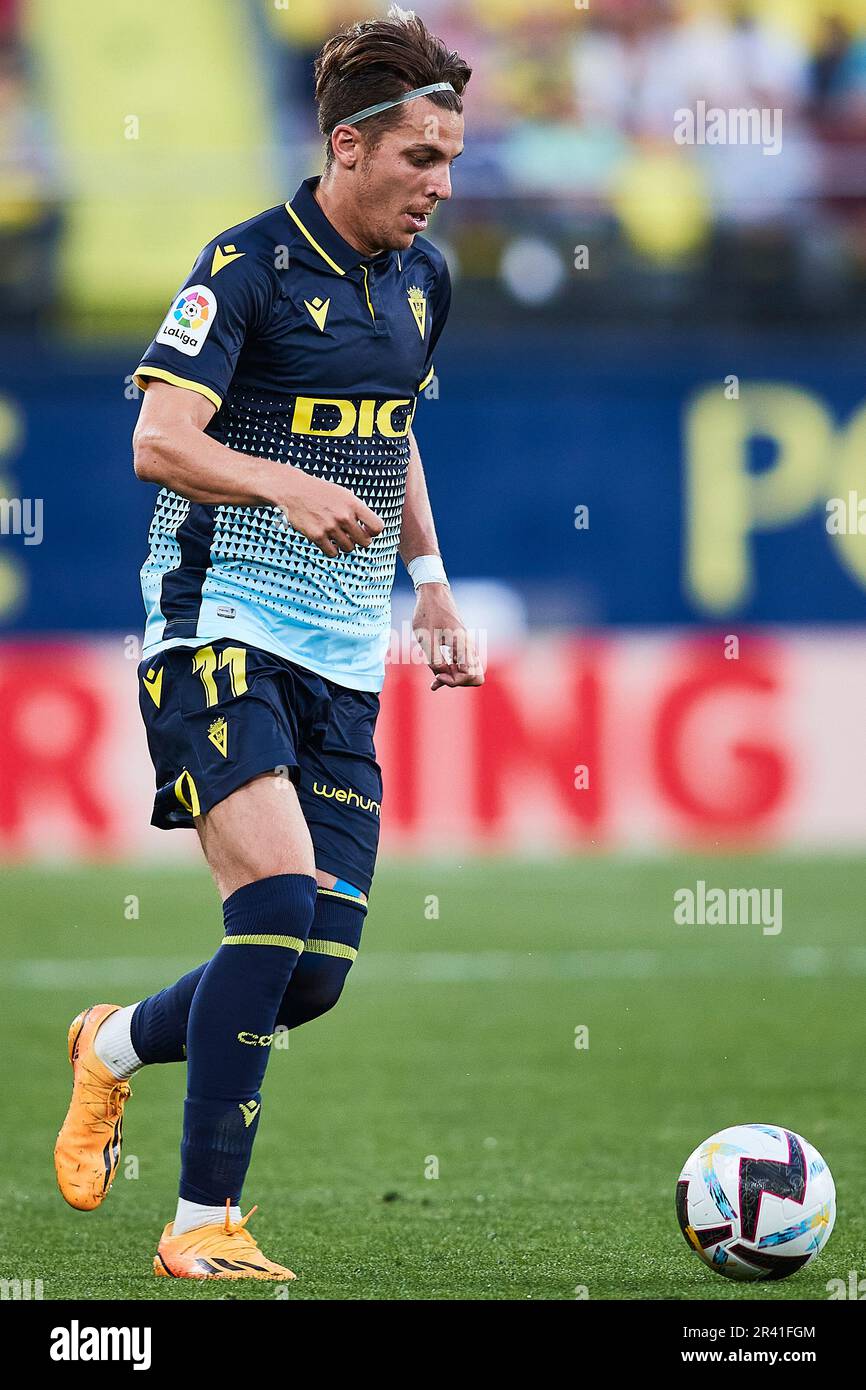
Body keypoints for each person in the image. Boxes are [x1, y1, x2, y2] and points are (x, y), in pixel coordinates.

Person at [54, 7, 480, 1282]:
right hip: (216, 622)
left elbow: (388, 428)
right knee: (276, 904)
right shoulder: (241, 267)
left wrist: (432, 582)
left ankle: (112, 1044)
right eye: (419, 159)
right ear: (348, 147)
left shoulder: (424, 281)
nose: (439, 187)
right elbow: (158, 441)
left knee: (309, 977)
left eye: (451, 161)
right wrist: (279, 485)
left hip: (345, 656)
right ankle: (199, 1226)